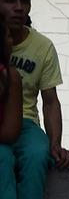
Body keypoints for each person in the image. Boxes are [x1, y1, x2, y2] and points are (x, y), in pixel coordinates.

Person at [0, 0, 69, 198]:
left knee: (37, 154)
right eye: (10, 0)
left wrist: (56, 143)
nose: (18, 7)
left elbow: (51, 101)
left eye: (24, 1)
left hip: (26, 124)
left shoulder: (43, 46)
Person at [1, 15, 24, 146]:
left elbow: (10, 132)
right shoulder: (8, 75)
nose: (12, 42)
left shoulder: (10, 76)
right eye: (8, 36)